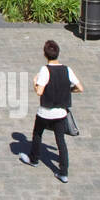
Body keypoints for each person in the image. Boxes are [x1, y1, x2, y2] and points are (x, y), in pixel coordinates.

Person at [19, 40, 83, 183]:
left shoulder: (45, 70)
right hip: (61, 113)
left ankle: (34, 159)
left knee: (37, 133)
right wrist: (69, 90)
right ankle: (63, 172)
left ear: (45, 54)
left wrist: (34, 83)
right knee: (60, 141)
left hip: (45, 112)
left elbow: (39, 92)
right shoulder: (67, 69)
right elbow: (80, 88)